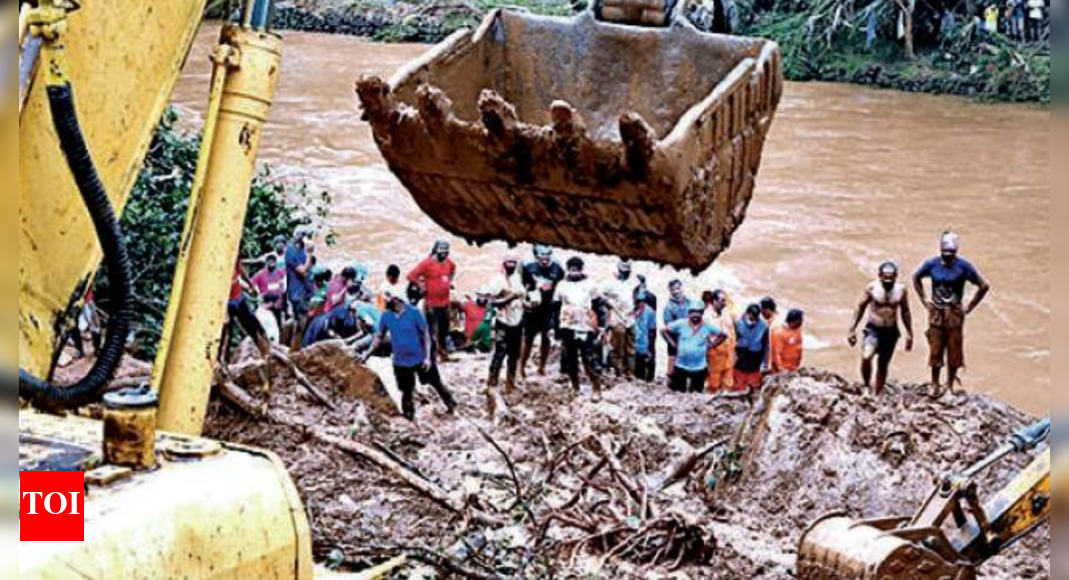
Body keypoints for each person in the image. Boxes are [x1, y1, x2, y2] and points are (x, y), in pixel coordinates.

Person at [360, 288, 457, 422]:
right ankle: (409, 417)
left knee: (435, 383)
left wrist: (428, 358)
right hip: (400, 361)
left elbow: (426, 336)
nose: (385, 301)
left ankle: (451, 405)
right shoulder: (386, 316)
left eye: (388, 298)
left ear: (397, 299)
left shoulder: (414, 313)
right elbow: (379, 336)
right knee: (406, 391)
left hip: (420, 358)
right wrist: (367, 354)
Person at [913, 232, 991, 396]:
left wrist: (969, 307)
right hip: (936, 312)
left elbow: (983, 286)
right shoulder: (932, 264)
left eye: (951, 253)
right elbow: (916, 277)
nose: (947, 255)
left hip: (954, 313)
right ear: (940, 250)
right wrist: (924, 299)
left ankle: (949, 385)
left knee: (954, 349)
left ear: (956, 252)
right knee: (936, 348)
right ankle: (935, 383)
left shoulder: (964, 267)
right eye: (945, 252)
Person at [848, 262, 915, 395]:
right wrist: (852, 329)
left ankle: (877, 393)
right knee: (867, 356)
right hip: (873, 329)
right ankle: (867, 385)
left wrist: (909, 333)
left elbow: (905, 311)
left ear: (896, 276)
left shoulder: (901, 290)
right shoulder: (872, 288)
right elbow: (860, 307)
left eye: (891, 278)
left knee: (883, 364)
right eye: (885, 277)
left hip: (890, 331)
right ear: (880, 276)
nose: (888, 280)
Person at [556, 257, 603, 400]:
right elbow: (556, 306)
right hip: (568, 325)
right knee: (570, 359)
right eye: (571, 269)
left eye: (577, 269)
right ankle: (575, 386)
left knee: (588, 358)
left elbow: (596, 305)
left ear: (582, 269)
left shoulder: (590, 284)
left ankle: (596, 388)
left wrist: (598, 325)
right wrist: (556, 329)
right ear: (568, 269)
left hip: (585, 325)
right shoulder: (562, 285)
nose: (574, 272)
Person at [486, 256, 526, 418]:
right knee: (500, 353)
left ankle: (510, 383)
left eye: (514, 264)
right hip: (503, 321)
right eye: (509, 264)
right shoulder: (497, 280)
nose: (511, 266)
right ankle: (492, 382)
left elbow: (522, 298)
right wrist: (511, 297)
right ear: (503, 264)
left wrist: (528, 304)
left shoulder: (517, 278)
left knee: (515, 354)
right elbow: (491, 303)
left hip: (518, 319)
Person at [662, 300, 727, 394]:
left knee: (696, 394)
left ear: (702, 313)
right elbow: (663, 331)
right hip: (681, 365)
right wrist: (673, 344)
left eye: (698, 312)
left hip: (699, 367)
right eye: (692, 312)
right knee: (678, 393)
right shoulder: (681, 323)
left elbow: (723, 335)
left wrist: (712, 345)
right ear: (689, 313)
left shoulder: (707, 326)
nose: (695, 315)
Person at [408, 240, 457, 362]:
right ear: (436, 251)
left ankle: (443, 353)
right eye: (441, 252)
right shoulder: (427, 263)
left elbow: (453, 268)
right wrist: (421, 285)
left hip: (445, 303)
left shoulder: (448, 262)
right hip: (431, 304)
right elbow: (411, 276)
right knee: (431, 331)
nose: (444, 255)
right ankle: (430, 356)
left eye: (446, 252)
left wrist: (449, 282)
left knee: (444, 330)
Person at [522, 245, 566, 377]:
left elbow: (562, 286)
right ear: (536, 256)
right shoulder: (528, 267)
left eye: (547, 257)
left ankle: (542, 367)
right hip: (533, 309)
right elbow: (522, 287)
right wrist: (526, 301)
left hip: (549, 309)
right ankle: (522, 366)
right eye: (542, 257)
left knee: (546, 338)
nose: (545, 260)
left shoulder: (557, 268)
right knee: (528, 338)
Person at [601, 260, 640, 378]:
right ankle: (618, 372)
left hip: (630, 319)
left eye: (627, 270)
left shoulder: (634, 281)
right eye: (623, 270)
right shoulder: (610, 283)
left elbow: (637, 294)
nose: (625, 272)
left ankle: (630, 372)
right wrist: (609, 304)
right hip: (617, 318)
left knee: (631, 348)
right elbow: (600, 294)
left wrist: (634, 307)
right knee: (617, 347)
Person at [285, 228, 316, 351]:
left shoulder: (302, 251)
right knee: (300, 322)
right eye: (304, 235)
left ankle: (297, 346)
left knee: (303, 321)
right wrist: (309, 253)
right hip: (297, 293)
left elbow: (310, 267)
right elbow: (303, 271)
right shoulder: (291, 252)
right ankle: (294, 349)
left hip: (305, 291)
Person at [703, 290, 736, 393]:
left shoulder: (726, 312)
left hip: (729, 353)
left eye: (725, 300)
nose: (724, 303)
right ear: (714, 301)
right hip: (715, 356)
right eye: (722, 300)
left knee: (728, 382)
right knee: (714, 383)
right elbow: (709, 338)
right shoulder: (707, 317)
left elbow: (732, 330)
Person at [734, 304, 770, 396]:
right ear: (747, 313)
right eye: (751, 318)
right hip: (740, 362)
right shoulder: (738, 323)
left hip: (755, 363)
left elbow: (766, 346)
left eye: (755, 319)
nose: (753, 321)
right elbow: (732, 342)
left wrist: (764, 364)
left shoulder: (764, 326)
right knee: (738, 389)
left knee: (754, 390)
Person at [663, 280, 690, 377]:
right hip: (675, 340)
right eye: (673, 290)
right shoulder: (669, 307)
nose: (676, 291)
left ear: (682, 288)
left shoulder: (690, 302)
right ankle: (671, 383)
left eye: (678, 288)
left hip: (689, 338)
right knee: (673, 364)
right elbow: (669, 327)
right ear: (670, 291)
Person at [252, 254, 287, 327]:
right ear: (266, 262)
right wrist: (258, 293)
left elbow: (284, 286)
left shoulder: (280, 272)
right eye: (270, 261)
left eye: (273, 261)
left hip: (278, 302)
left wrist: (281, 299)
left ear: (275, 262)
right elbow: (252, 283)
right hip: (266, 301)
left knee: (279, 323)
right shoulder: (260, 274)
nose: (271, 264)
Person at [633, 291, 658, 383]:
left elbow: (652, 329)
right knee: (637, 363)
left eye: (642, 301)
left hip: (645, 340)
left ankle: (649, 379)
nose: (640, 303)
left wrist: (650, 346)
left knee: (648, 361)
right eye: (639, 301)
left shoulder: (650, 312)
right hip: (635, 341)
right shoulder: (633, 311)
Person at [771, 309, 805, 374]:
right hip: (782, 370)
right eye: (800, 320)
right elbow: (776, 353)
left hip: (793, 367)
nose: (802, 322)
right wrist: (780, 369)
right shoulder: (779, 333)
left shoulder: (798, 329)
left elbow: (799, 346)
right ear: (795, 321)